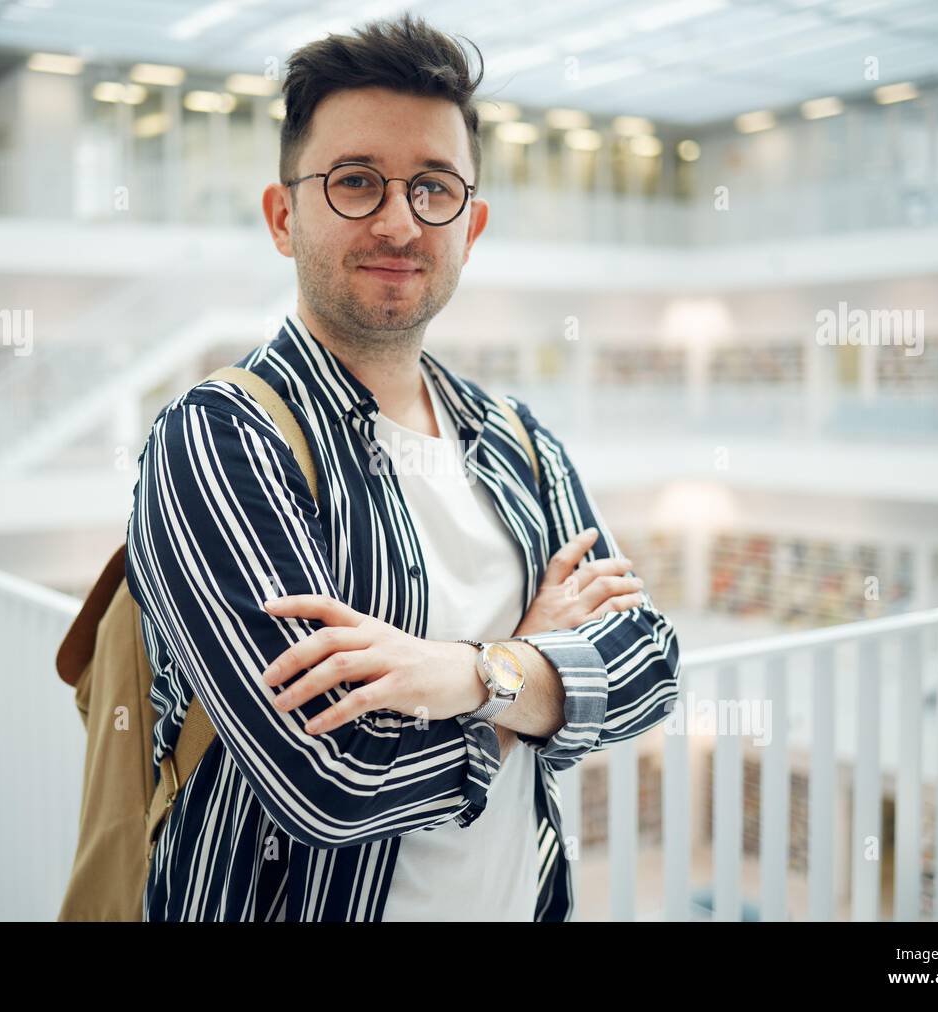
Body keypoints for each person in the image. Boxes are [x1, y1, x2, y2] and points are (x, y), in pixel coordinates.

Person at [125, 12, 680, 922]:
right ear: (282, 214)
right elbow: (328, 779)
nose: (397, 220)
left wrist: (470, 674)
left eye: (433, 188)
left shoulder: (517, 440)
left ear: (473, 224)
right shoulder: (219, 441)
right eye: (355, 183)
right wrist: (533, 670)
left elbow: (651, 663)